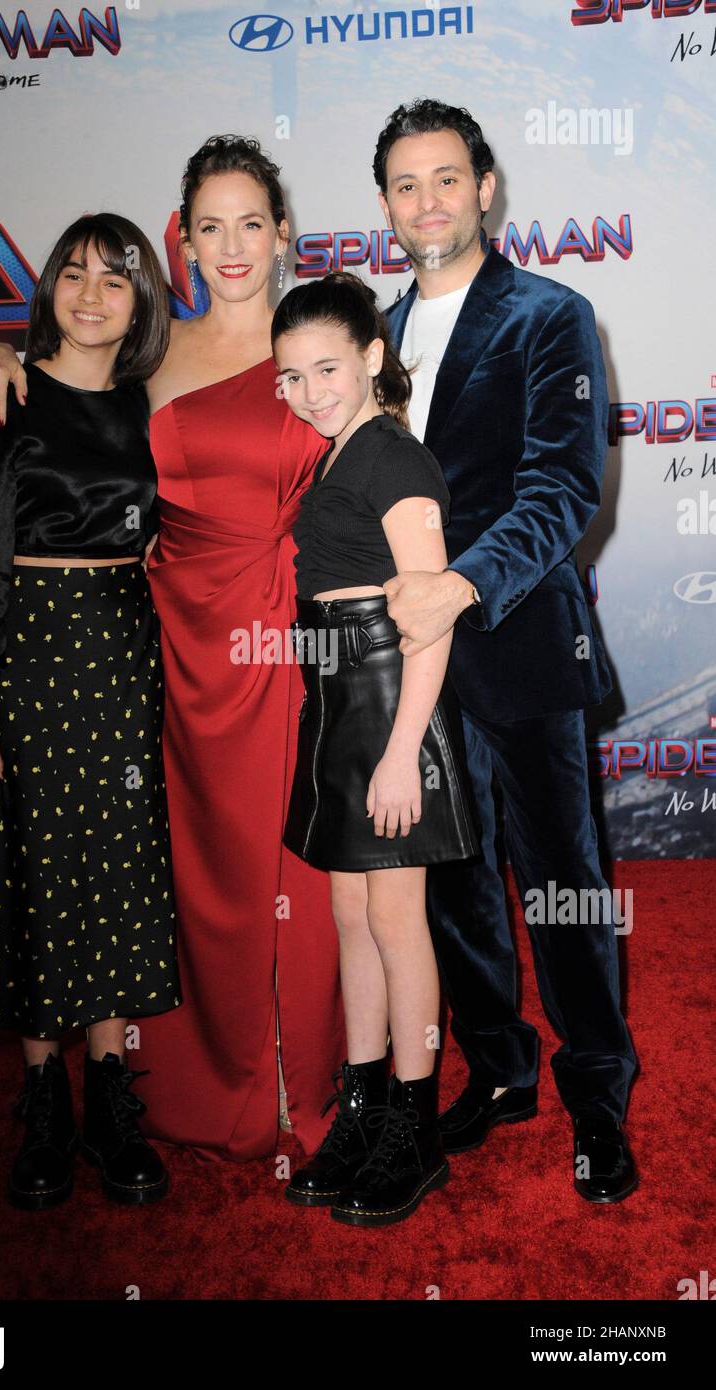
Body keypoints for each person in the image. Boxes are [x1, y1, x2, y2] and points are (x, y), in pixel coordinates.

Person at [0, 138, 347, 1163]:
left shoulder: (323, 341)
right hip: (175, 652)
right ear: (181, 241)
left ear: (280, 232)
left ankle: (304, 1079)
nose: (229, 244)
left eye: (248, 222)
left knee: (305, 873)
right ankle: (157, 1081)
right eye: (206, 225)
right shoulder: (152, 362)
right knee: (160, 870)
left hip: (298, 647)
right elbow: (57, 399)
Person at [375, 98, 638, 1202]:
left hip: (521, 644)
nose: (426, 200)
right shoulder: (370, 337)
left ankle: (596, 1093)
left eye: (446, 177)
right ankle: (497, 1067)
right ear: (383, 206)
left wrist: (460, 584)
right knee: (452, 888)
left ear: (484, 188)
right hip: (411, 676)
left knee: (563, 886)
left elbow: (560, 487)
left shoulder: (548, 315)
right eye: (403, 184)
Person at [0, 213, 181, 1209]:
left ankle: (110, 1092)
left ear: (141, 302)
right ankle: (43, 1096)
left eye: (115, 280)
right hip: (21, 647)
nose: (89, 294)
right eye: (72, 274)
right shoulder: (1, 391)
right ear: (47, 291)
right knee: (27, 866)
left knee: (110, 862)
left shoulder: (147, 403)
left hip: (119, 649)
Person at [271, 272, 481, 1226]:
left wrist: (405, 753)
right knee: (353, 917)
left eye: (327, 368)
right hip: (336, 697)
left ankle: (413, 1127)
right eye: (290, 377)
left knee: (398, 922)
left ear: (369, 358)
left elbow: (427, 616)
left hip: (390, 698)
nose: (311, 391)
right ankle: (359, 1110)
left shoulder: (392, 456)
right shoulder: (338, 450)